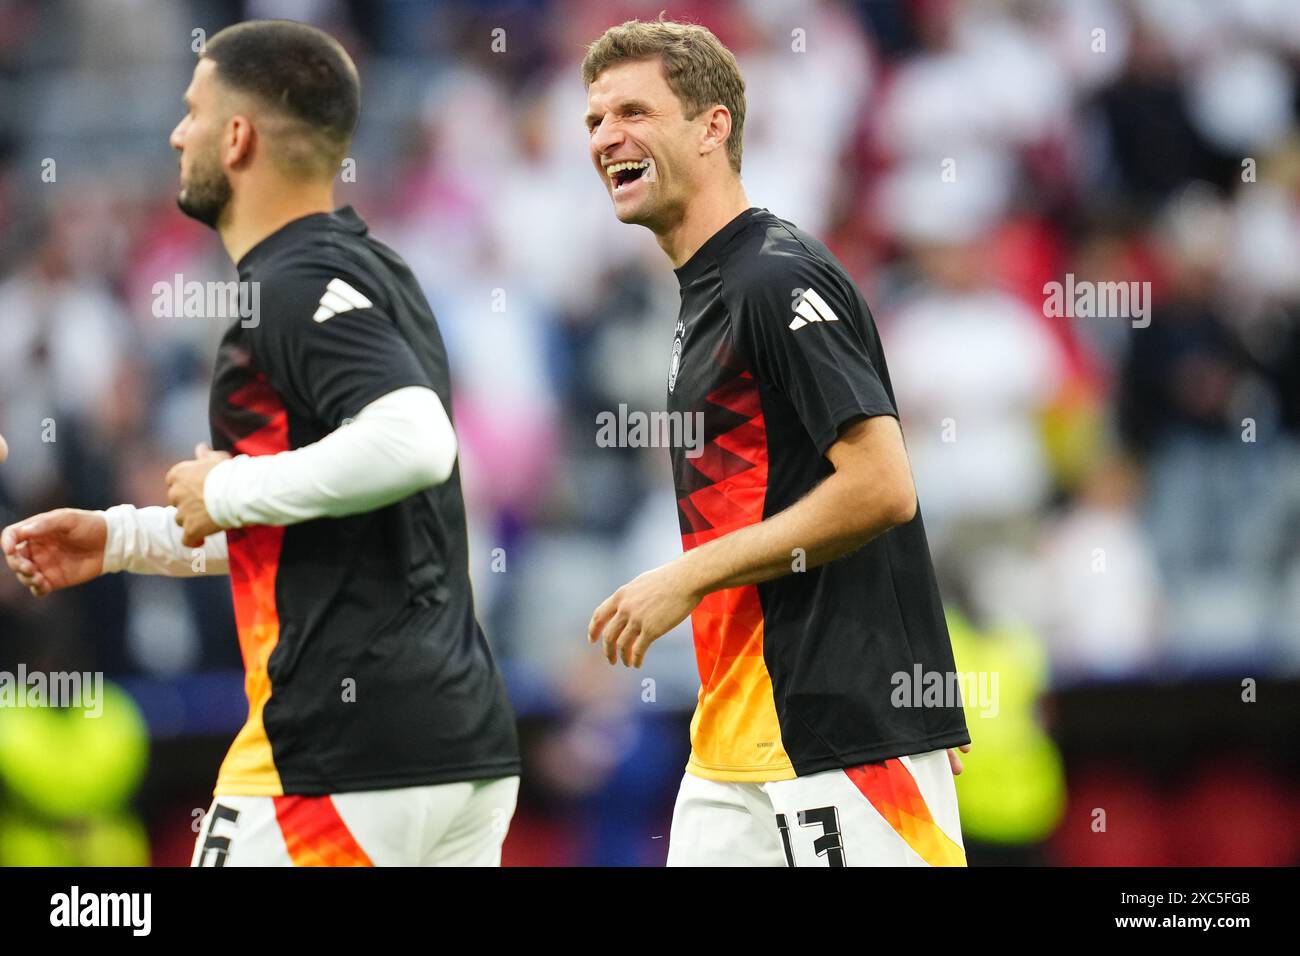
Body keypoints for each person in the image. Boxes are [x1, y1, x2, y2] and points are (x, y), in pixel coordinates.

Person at [0, 20, 519, 867]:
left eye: (192, 111)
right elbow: (331, 516)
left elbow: (417, 442)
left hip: (333, 752)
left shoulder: (292, 284)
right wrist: (123, 537)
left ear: (237, 137)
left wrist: (228, 490)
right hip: (457, 747)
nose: (176, 133)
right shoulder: (381, 273)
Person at [582, 17, 971, 867]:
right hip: (734, 735)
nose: (607, 135)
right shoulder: (703, 295)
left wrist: (685, 574)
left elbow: (881, 487)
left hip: (843, 725)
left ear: (712, 126)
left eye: (634, 112)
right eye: (595, 120)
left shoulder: (774, 275)